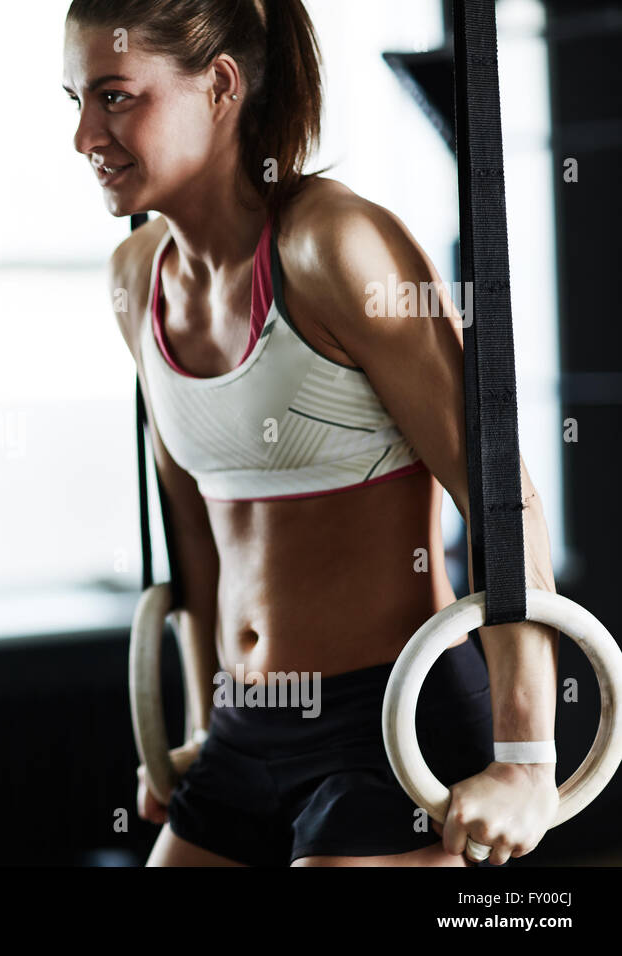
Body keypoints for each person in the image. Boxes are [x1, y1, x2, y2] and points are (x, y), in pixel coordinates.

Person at [63, 0, 559, 866]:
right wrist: (197, 722)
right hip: (244, 732)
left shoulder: (331, 246)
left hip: (391, 730)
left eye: (114, 96)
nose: (84, 136)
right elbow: (195, 537)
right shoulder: (134, 280)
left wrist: (524, 761)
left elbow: (499, 497)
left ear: (219, 86)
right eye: (74, 101)